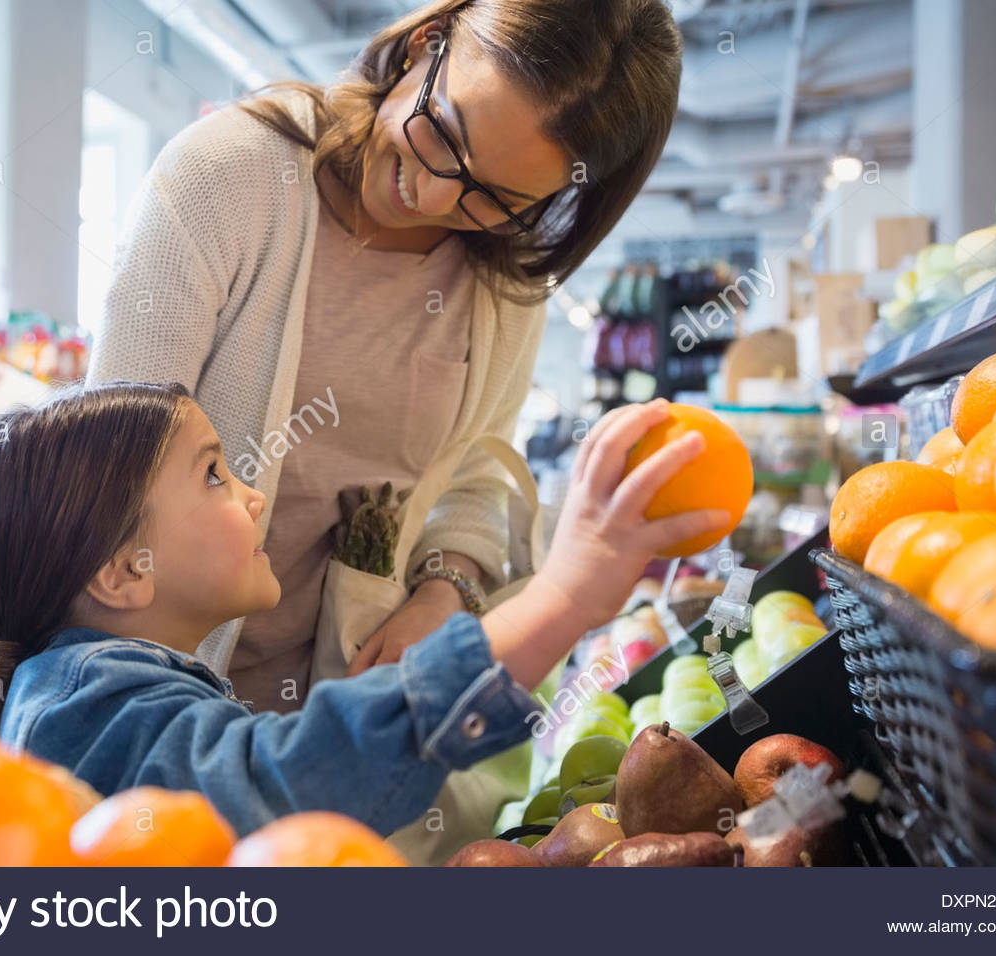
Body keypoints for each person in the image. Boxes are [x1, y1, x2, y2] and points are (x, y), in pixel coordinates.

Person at [87, 0, 684, 711]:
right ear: (425, 44)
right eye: (443, 133)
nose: (431, 193)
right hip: (154, 699)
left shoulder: (502, 292)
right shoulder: (228, 179)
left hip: (347, 724)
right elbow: (109, 468)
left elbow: (473, 482)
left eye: (496, 196)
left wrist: (445, 588)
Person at [0, 382, 727, 836]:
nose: (255, 492)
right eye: (212, 475)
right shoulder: (93, 706)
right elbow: (289, 782)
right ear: (123, 573)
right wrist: (563, 595)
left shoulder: (92, 690)